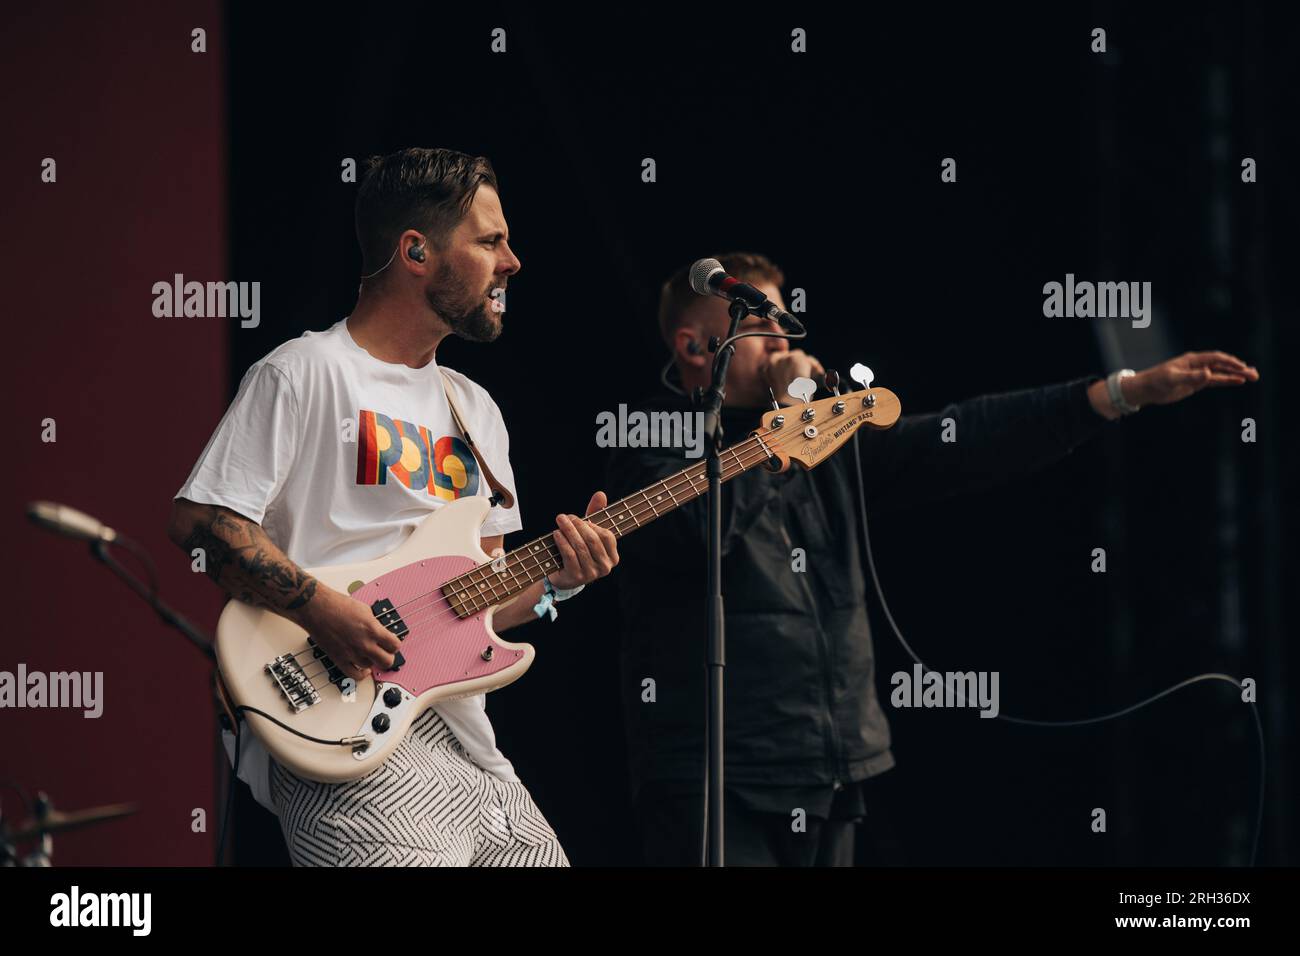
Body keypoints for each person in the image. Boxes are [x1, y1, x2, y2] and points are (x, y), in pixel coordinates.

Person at [605, 251, 1258, 866]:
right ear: (694, 346)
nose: (783, 342)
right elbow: (696, 533)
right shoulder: (653, 440)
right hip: (712, 779)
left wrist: (1121, 392)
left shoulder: (822, 436)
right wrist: (789, 420)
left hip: (829, 771)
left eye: (784, 322)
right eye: (758, 326)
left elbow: (961, 440)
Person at [169, 147, 619, 867]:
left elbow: (487, 603)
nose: (513, 263)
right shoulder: (303, 371)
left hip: (469, 747)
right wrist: (322, 609)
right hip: (342, 728)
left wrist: (563, 579)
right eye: (490, 240)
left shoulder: (474, 408)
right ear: (415, 250)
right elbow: (202, 524)